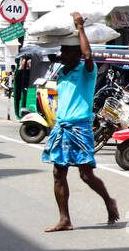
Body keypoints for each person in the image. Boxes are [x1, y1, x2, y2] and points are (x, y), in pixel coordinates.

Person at [42, 13, 119, 232]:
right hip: (62, 127)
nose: (63, 54)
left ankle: (108, 200)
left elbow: (88, 55)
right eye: (62, 51)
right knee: (58, 173)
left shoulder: (88, 71)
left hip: (80, 128)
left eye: (67, 51)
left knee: (86, 174)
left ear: (77, 53)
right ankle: (64, 219)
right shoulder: (63, 72)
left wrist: (79, 27)